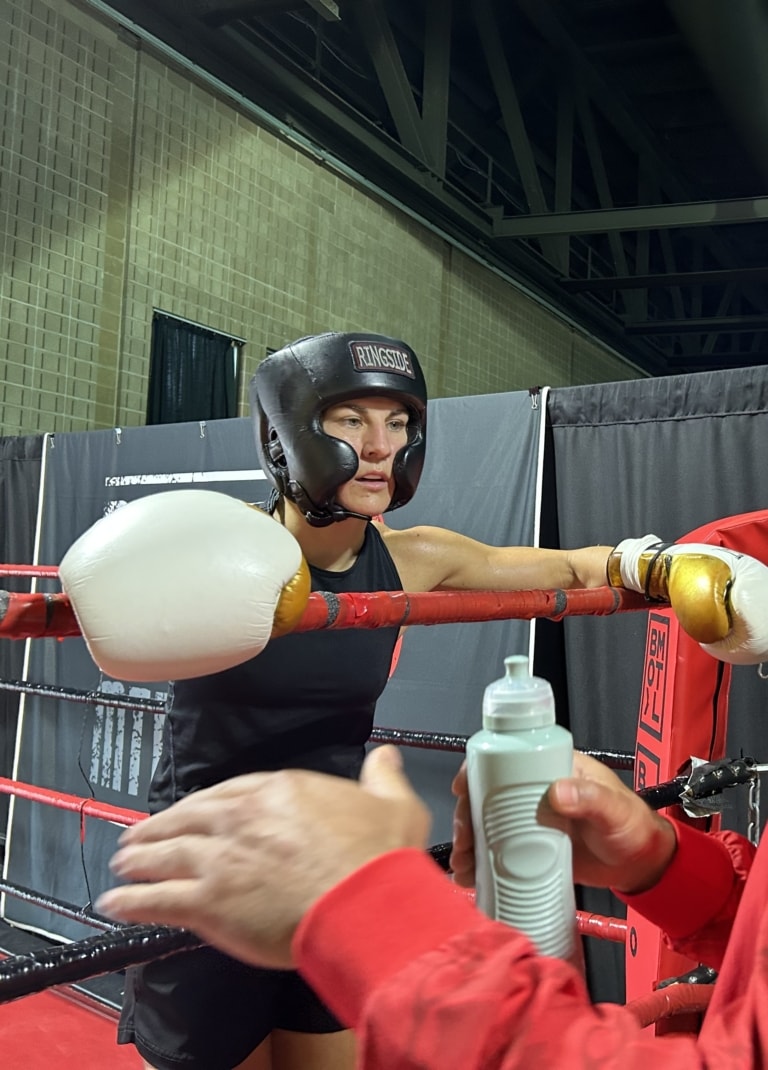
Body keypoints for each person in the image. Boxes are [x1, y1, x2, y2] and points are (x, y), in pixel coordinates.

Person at [61, 329, 766, 1070]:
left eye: (397, 424)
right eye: (350, 421)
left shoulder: (408, 558)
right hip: (217, 858)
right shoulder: (222, 541)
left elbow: (567, 564)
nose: (378, 446)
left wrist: (657, 566)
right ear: (289, 433)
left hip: (337, 859)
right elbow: (98, 595)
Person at [96, 740, 764, 1067]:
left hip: (323, 854)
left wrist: (384, 919)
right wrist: (673, 872)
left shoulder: (404, 552)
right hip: (260, 850)